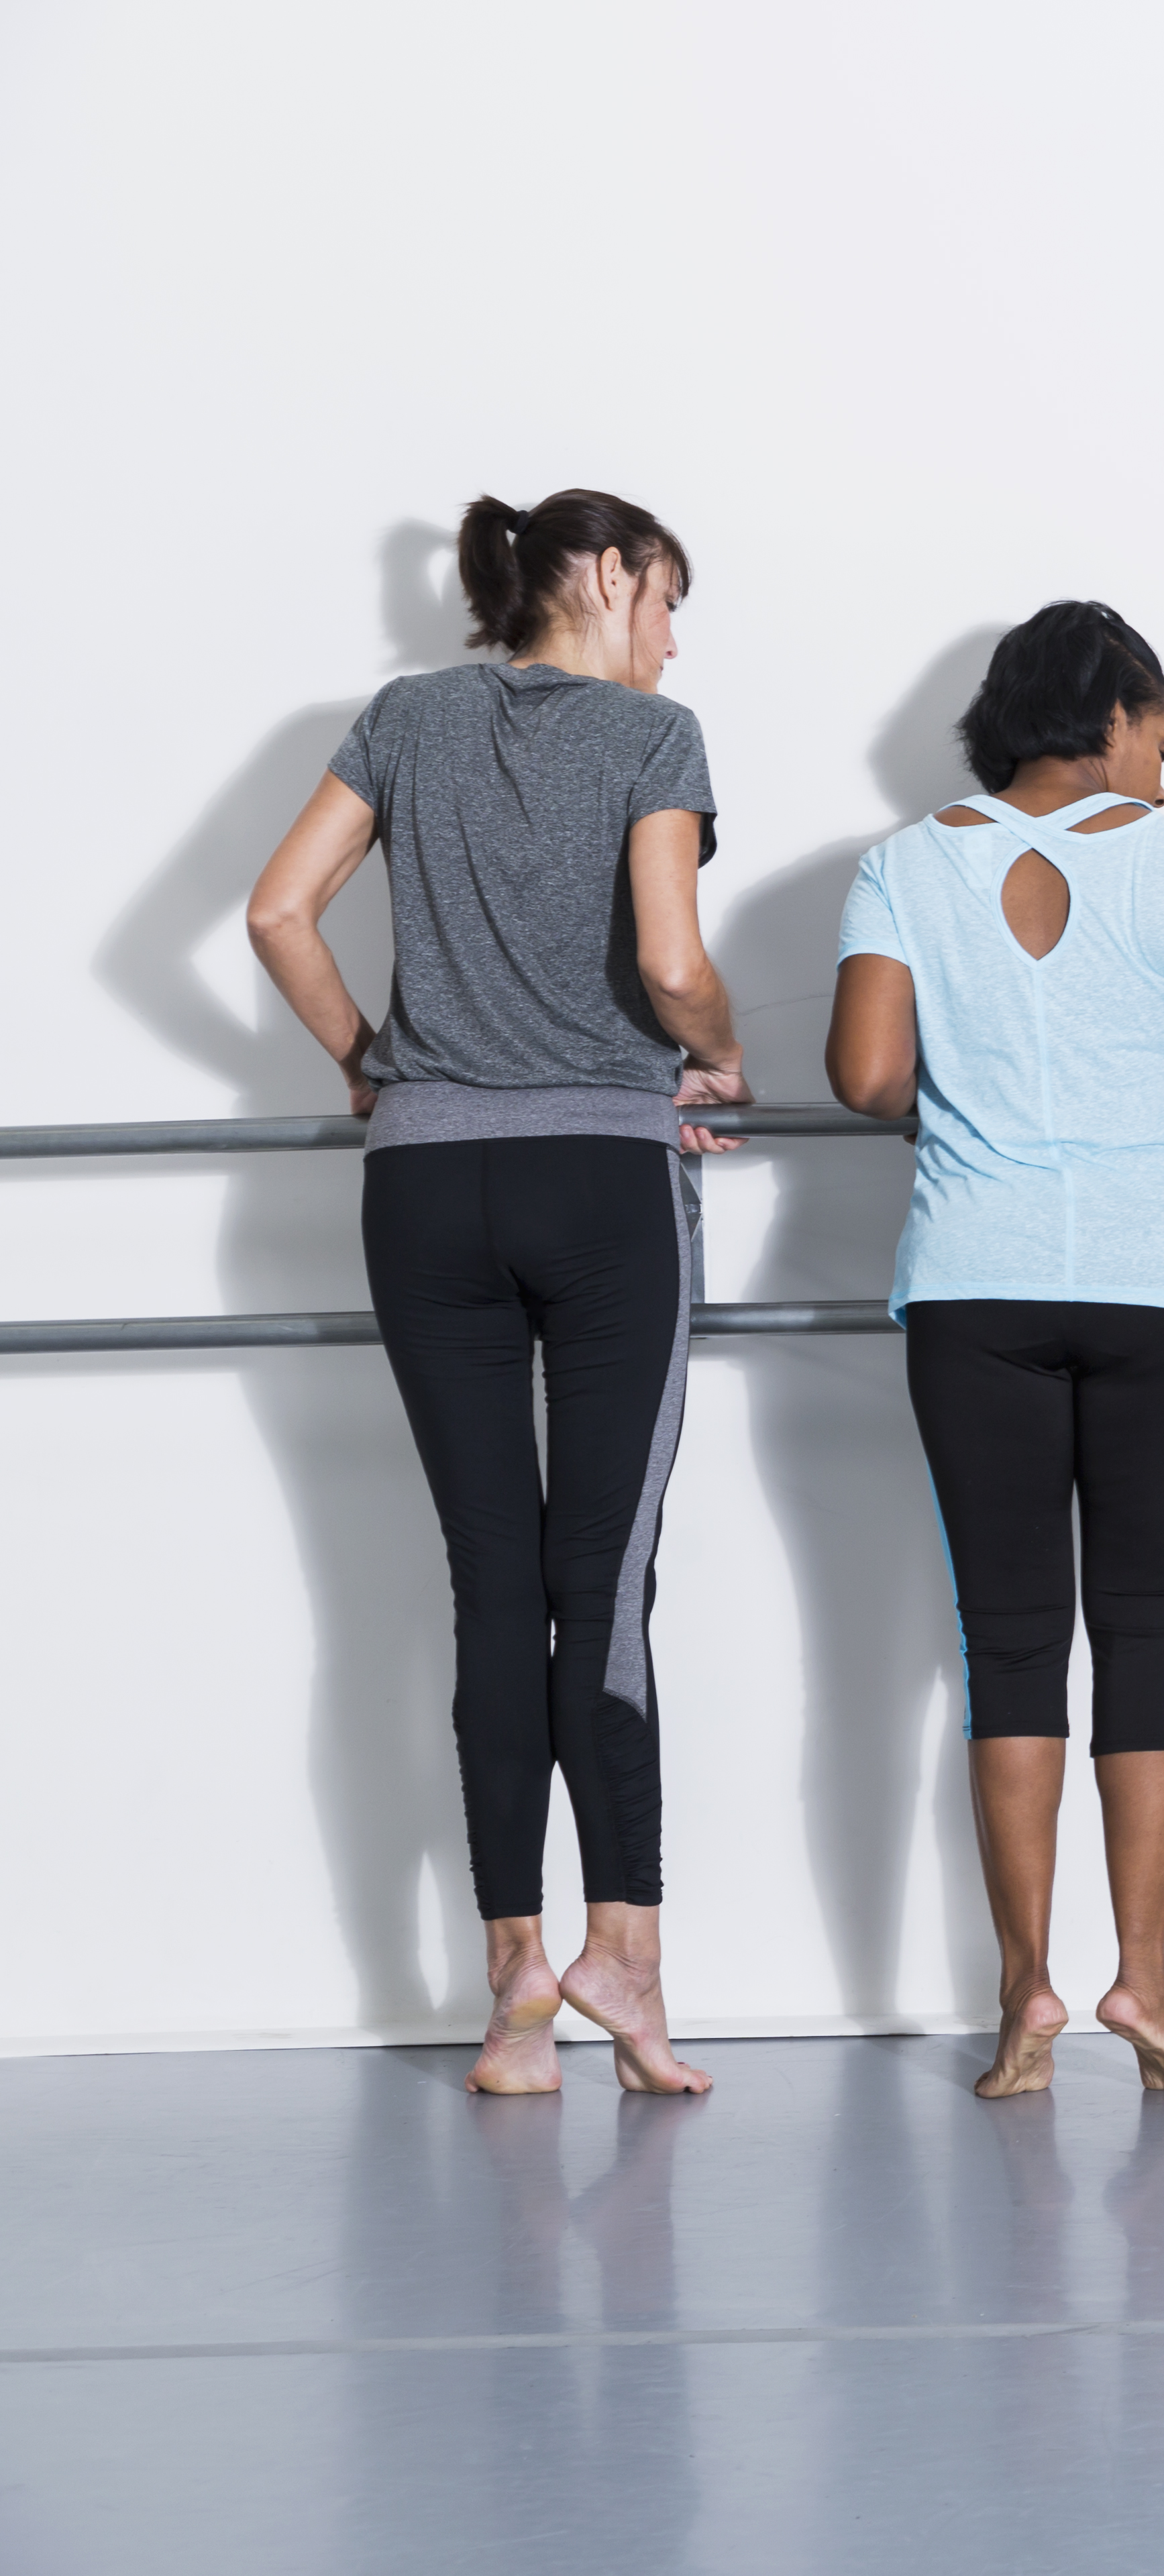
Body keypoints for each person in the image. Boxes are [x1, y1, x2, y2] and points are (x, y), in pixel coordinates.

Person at [243, 489, 741, 2095]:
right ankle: (631, 1967)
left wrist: (369, 1068)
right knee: (600, 1589)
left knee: (489, 1582)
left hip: (425, 1190)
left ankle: (516, 1992)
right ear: (604, 576)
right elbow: (670, 964)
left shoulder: (402, 718)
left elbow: (277, 911)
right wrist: (722, 1044)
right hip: (603, 1188)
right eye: (667, 595)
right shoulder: (656, 743)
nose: (672, 634)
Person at [826, 602, 1164, 2098]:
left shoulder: (904, 865)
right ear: (1121, 710)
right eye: (1163, 729)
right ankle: (1144, 1987)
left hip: (976, 1283)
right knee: (1149, 1638)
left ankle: (1024, 1993)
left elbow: (867, 1073)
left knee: (1010, 1641)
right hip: (1161, 1288)